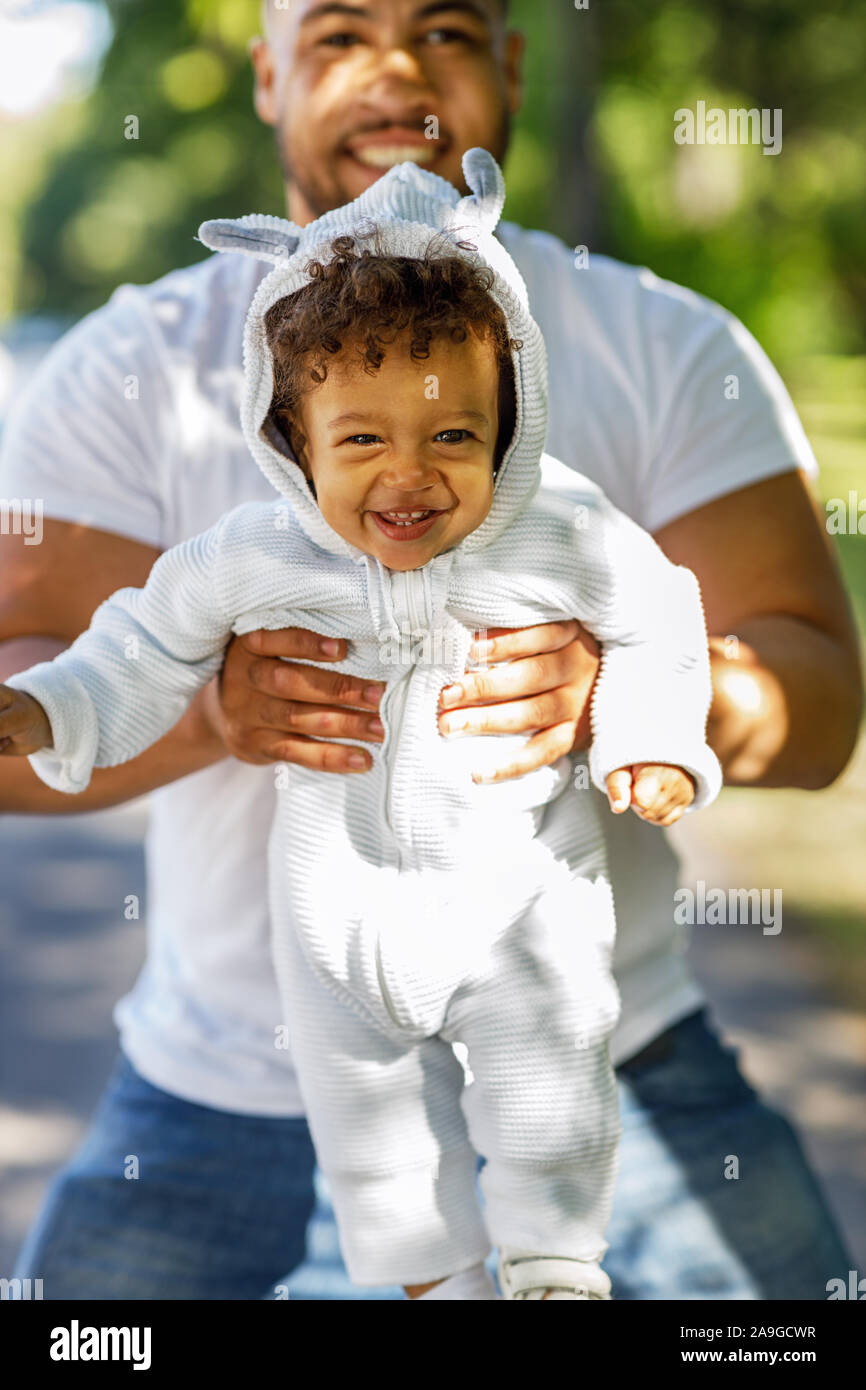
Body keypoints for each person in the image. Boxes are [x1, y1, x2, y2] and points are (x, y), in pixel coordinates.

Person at [1, 0, 860, 1300]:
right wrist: (202, 713)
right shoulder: (144, 385)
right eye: (340, 33)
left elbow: (795, 686)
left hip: (609, 1025)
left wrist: (635, 709)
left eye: (444, 30)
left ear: (509, 68)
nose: (395, 71)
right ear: (267, 72)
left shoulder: (659, 363)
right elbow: (104, 656)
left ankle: (555, 1248)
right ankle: (421, 1263)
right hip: (227, 1073)